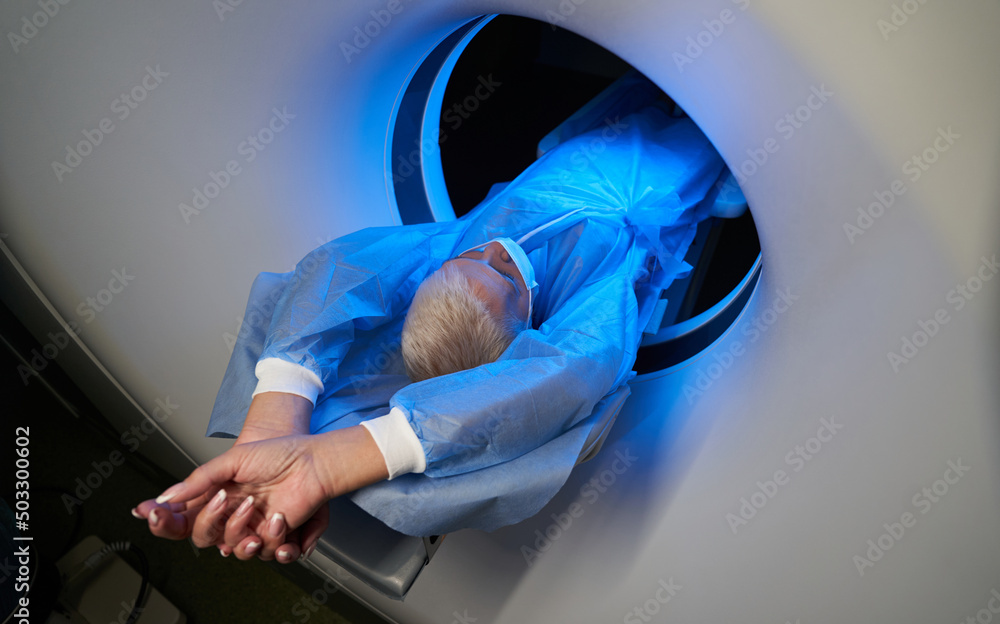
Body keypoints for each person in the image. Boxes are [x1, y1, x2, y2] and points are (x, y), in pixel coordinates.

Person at [132, 103, 731, 562]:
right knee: (701, 144)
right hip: (644, 195)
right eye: (498, 272)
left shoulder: (446, 254)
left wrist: (278, 406)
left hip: (563, 165)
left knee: (617, 112)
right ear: (525, 322)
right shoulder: (589, 306)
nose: (494, 251)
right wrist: (335, 461)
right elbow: (570, 370)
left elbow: (341, 271)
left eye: (480, 260)